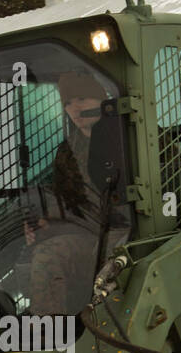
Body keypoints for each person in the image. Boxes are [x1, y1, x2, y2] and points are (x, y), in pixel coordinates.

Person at [26, 71, 129, 314]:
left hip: (134, 231)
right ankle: (50, 331)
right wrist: (42, 222)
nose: (75, 109)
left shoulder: (133, 135)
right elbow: (64, 202)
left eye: (82, 99)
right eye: (68, 103)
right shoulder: (68, 152)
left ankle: (108, 327)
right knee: (46, 255)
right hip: (90, 234)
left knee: (106, 254)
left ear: (101, 100)